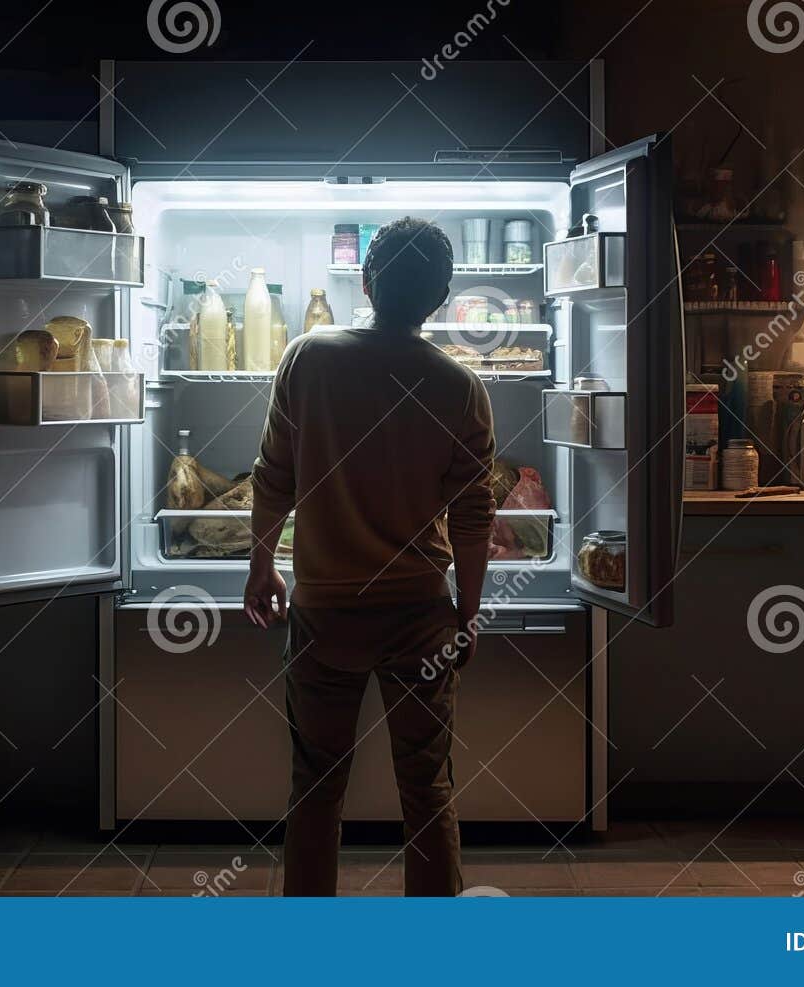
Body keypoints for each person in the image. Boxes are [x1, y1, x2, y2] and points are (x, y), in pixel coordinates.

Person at [244, 216, 496, 896]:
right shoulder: (459, 385)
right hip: (419, 615)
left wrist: (261, 564)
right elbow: (474, 517)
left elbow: (274, 476)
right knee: (428, 789)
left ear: (365, 282)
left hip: (325, 611)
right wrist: (467, 613)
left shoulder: (308, 357)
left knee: (317, 788)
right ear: (441, 297)